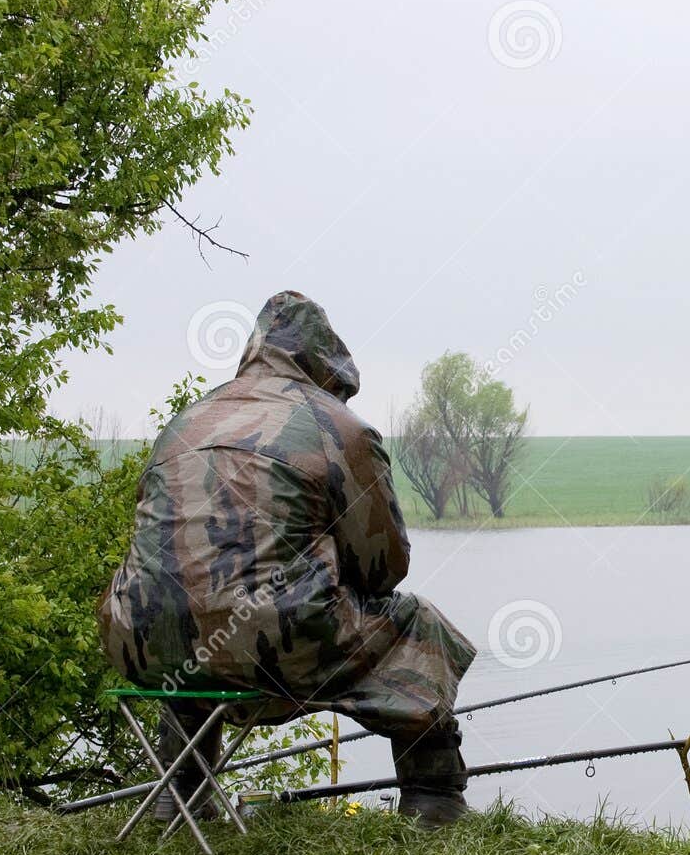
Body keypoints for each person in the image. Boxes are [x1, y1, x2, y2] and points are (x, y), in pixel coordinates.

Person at [98, 291, 476, 825]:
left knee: (185, 611)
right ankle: (434, 800)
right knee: (420, 622)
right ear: (326, 365)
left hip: (137, 639)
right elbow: (384, 568)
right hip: (277, 648)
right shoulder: (339, 429)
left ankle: (179, 791)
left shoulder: (184, 423)